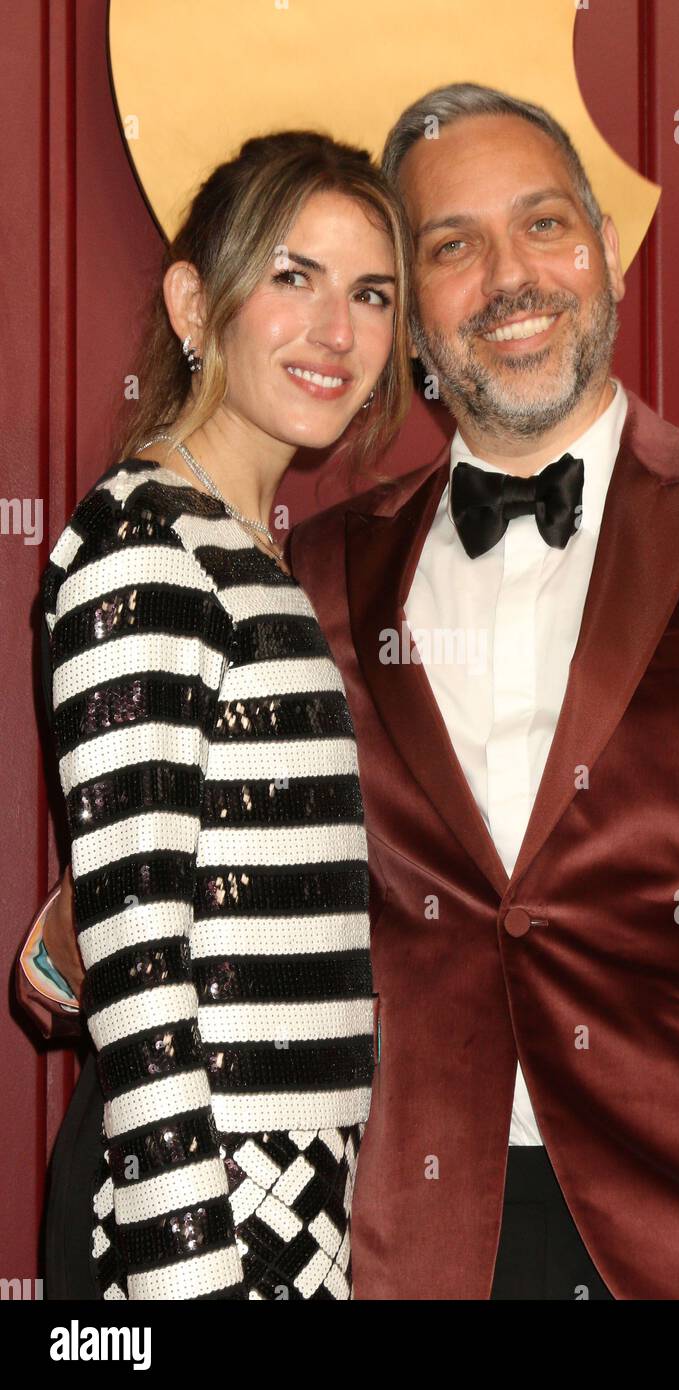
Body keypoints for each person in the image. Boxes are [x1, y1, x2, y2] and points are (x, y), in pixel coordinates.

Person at [37, 83, 679, 1301]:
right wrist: (74, 930)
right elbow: (139, 906)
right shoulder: (309, 573)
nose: (509, 276)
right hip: (408, 1237)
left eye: (543, 225)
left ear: (609, 258)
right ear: (415, 325)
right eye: (449, 246)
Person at [36, 128, 413, 1299]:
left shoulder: (237, 550)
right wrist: (188, 1279)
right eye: (292, 278)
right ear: (194, 304)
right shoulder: (145, 543)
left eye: (369, 294)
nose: (336, 333)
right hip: (190, 1210)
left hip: (284, 1194)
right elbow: (137, 967)